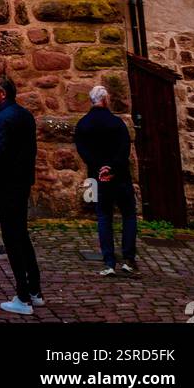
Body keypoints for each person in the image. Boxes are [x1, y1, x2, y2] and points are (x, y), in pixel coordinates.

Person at [0, 77, 43, 316]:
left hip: (7, 185)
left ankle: (22, 296)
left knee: (11, 237)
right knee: (22, 234)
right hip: (22, 183)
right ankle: (36, 290)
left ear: (3, 94)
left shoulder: (2, 118)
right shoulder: (26, 115)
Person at [74, 84, 137, 276]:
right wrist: (111, 166)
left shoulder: (83, 124)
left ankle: (109, 261)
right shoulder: (117, 123)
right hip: (119, 176)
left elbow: (83, 151)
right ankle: (128, 259)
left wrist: (100, 167)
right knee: (128, 214)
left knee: (103, 216)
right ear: (105, 100)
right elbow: (124, 149)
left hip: (97, 177)